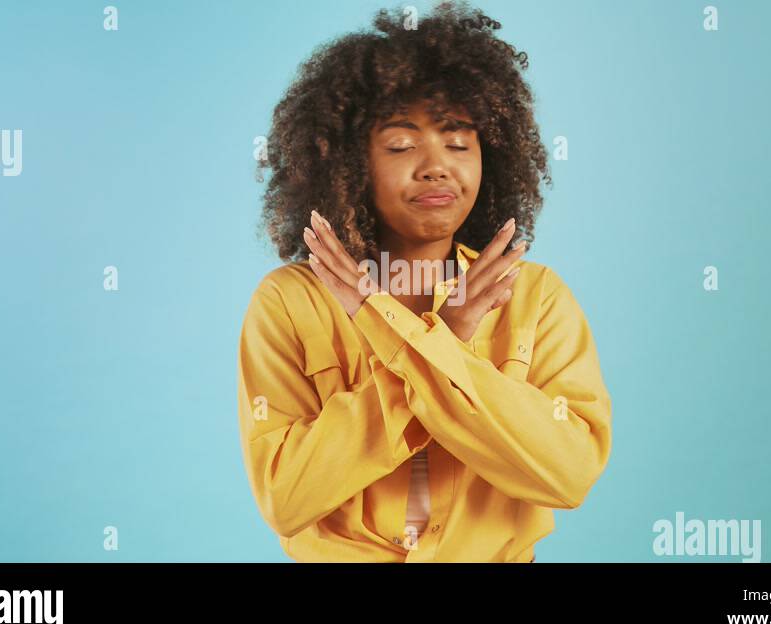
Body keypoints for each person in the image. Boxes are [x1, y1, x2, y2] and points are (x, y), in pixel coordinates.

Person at [237, 1, 612, 562]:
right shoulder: (289, 302)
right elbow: (287, 497)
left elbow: (567, 474)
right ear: (348, 163)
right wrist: (448, 334)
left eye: (459, 142)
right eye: (401, 145)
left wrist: (404, 333)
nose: (437, 165)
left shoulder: (535, 296)